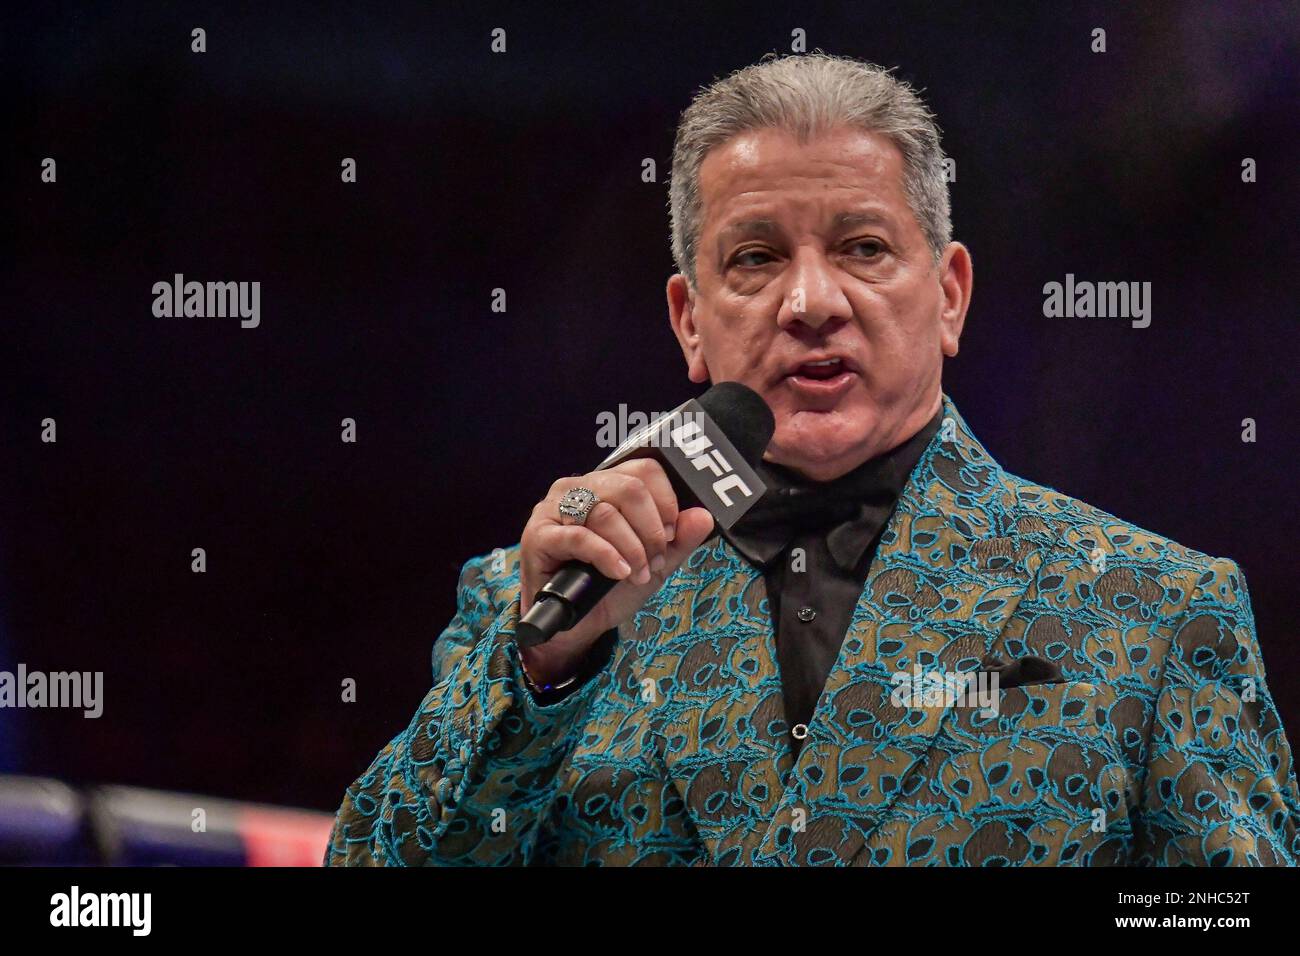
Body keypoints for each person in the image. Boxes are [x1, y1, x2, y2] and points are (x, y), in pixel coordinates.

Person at [326, 53, 1300, 866]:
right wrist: (542, 671)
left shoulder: (1155, 610)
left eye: (863, 247)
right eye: (753, 257)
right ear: (689, 321)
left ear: (949, 294)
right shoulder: (536, 609)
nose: (809, 301)